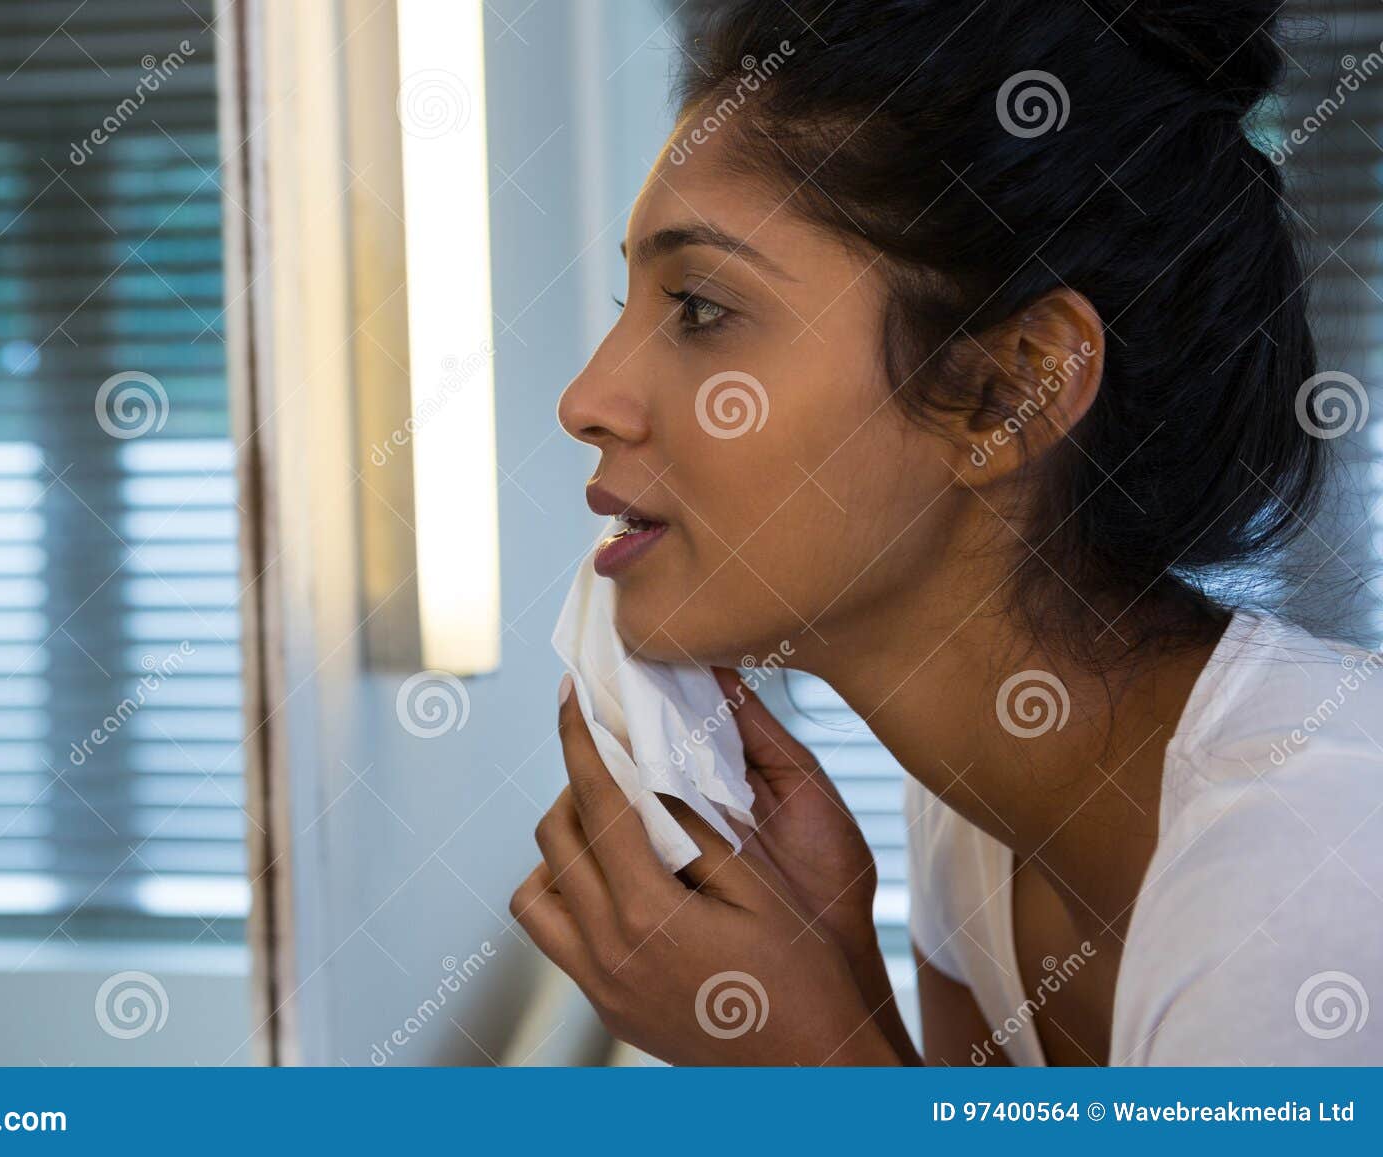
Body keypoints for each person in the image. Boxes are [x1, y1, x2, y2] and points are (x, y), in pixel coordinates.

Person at [509, 0, 1383, 1066]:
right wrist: (832, 981)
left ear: (1008, 388)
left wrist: (803, 1068)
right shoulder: (978, 823)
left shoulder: (1315, 874)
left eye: (697, 308)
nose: (588, 398)